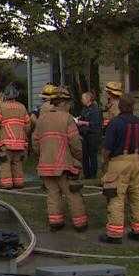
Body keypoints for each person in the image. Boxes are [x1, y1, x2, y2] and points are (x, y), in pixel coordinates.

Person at [32, 87, 88, 232]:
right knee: (72, 194)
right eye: (69, 103)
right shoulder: (67, 118)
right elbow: (75, 142)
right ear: (63, 103)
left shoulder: (42, 118)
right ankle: (80, 223)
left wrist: (42, 155)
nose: (70, 106)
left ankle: (56, 222)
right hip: (64, 164)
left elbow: (35, 141)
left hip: (46, 164)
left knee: (52, 194)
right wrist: (78, 158)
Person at [100, 95, 139, 244]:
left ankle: (114, 234)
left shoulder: (115, 123)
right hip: (136, 161)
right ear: (133, 107)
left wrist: (105, 163)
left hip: (118, 162)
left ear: (120, 107)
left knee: (116, 196)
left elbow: (107, 148)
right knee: (138, 196)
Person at [0, 83, 31, 189]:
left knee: (4, 162)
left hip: (5, 142)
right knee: (17, 163)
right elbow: (28, 125)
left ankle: (7, 184)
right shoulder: (22, 107)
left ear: (5, 95)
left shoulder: (1, 106)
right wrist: (24, 137)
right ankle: (19, 183)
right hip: (20, 143)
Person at [77, 91, 103, 179]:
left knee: (92, 155)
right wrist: (78, 119)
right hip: (84, 135)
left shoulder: (95, 109)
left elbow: (95, 123)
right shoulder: (84, 109)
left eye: (83, 98)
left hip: (93, 135)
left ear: (88, 99)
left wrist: (82, 122)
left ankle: (93, 175)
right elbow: (82, 117)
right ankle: (86, 174)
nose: (81, 100)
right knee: (84, 155)